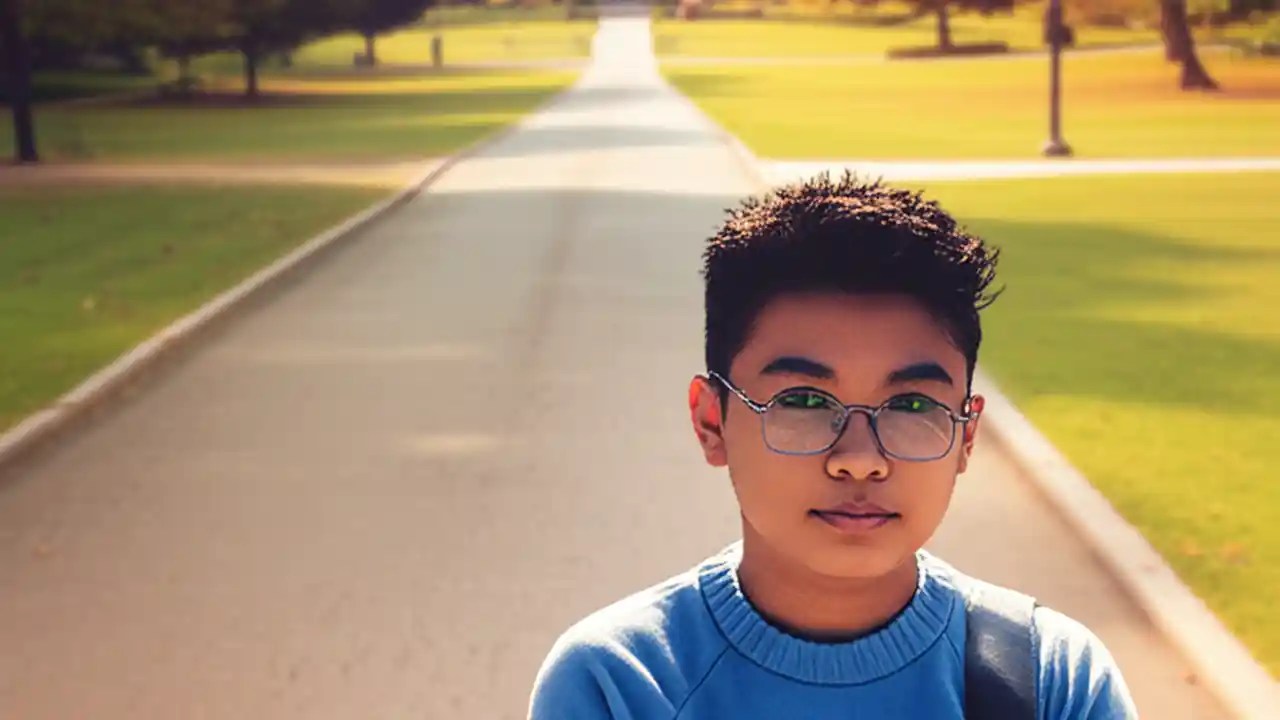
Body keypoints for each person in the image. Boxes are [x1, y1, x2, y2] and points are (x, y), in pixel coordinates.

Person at [527, 173, 1138, 719]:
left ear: (965, 437)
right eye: (805, 402)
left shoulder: (1050, 681)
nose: (861, 458)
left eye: (913, 406)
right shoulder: (619, 682)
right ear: (712, 420)